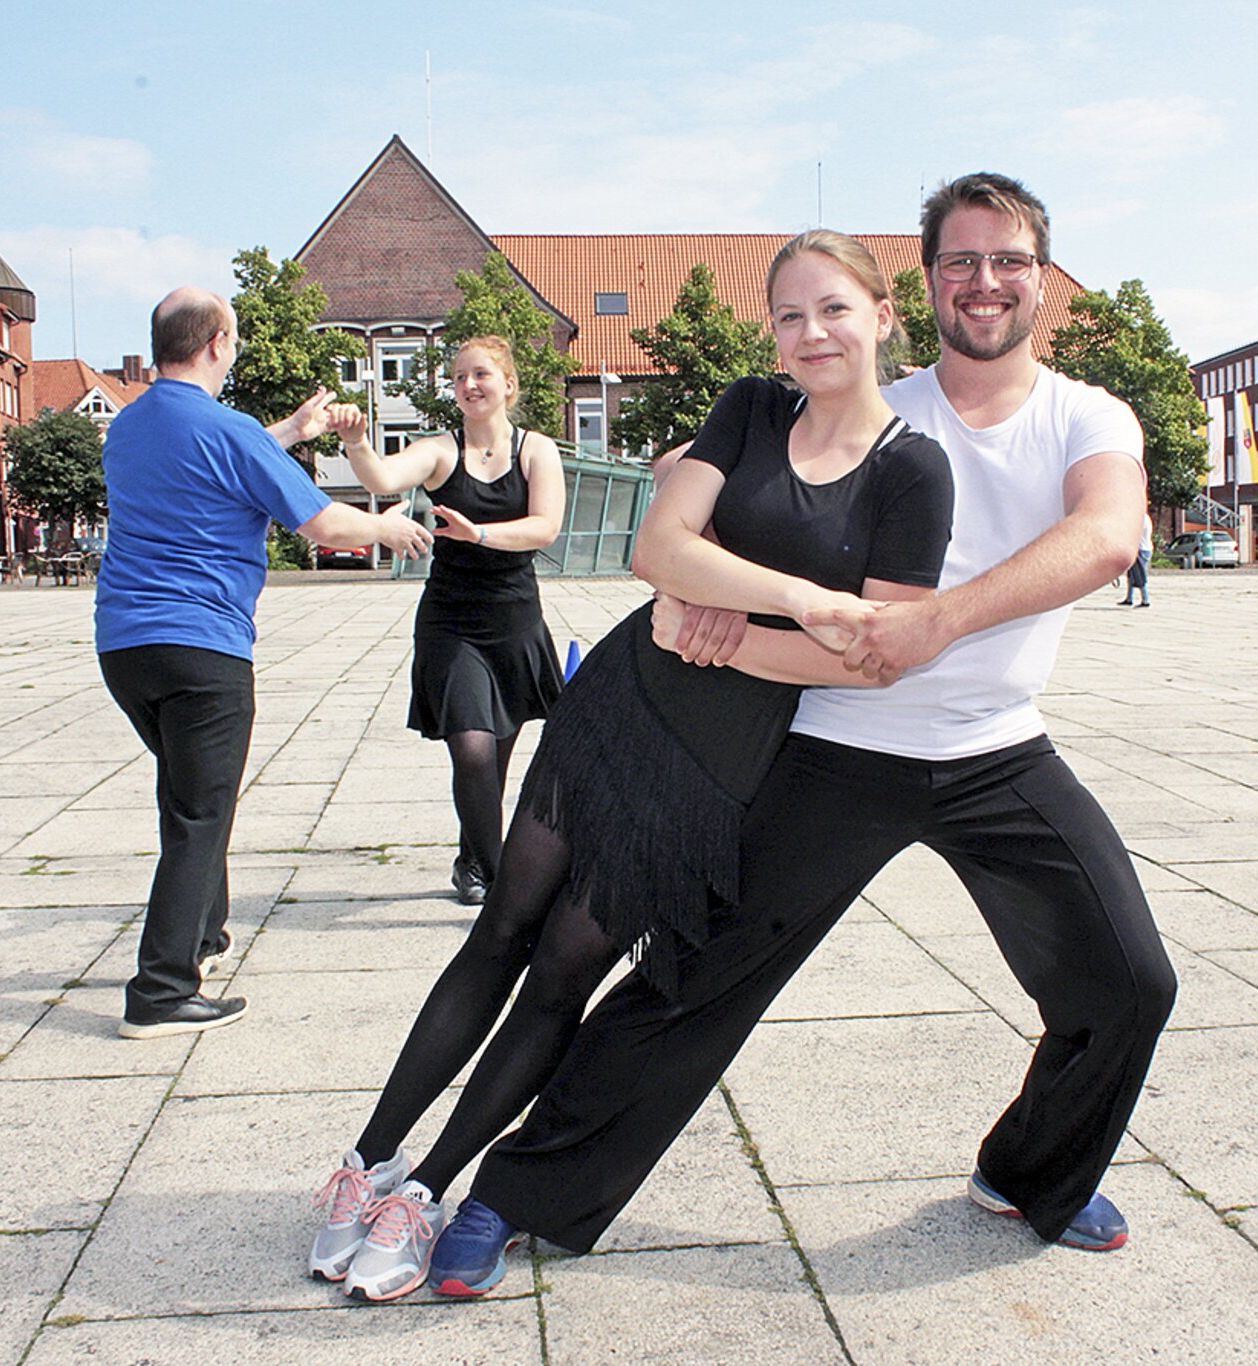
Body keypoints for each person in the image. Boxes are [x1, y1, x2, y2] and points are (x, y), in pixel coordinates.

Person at [425, 173, 1176, 1292]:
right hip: (829, 743)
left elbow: (1108, 535)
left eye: (1008, 259)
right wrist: (707, 586)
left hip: (991, 746)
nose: (984, 281)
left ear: (1039, 277)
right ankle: (516, 1192)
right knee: (687, 981)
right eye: (960, 260)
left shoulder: (1085, 415)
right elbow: (683, 481)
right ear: (920, 287)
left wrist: (928, 626)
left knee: (1128, 980)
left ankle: (1030, 1171)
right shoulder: (864, 394)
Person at [308, 231, 954, 1302]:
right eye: (790, 315)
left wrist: (731, 627)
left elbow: (873, 653)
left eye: (834, 309)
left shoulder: (912, 469)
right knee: (503, 924)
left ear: (883, 316)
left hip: (712, 761)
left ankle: (428, 1183)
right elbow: (660, 549)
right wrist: (798, 598)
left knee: (565, 963)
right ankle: (368, 1153)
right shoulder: (752, 408)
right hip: (620, 702)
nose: (811, 334)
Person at [97, 287, 432, 1039]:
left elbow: (217, 454)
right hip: (201, 647)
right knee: (199, 813)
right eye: (236, 337)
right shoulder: (231, 430)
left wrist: (292, 428)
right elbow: (317, 518)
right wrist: (386, 528)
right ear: (217, 342)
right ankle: (160, 991)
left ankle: (204, 937)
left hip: (125, 647)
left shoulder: (127, 425)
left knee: (185, 795)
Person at [337, 337, 567, 907]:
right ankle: (505, 888)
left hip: (515, 621)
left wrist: (480, 534)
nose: (468, 384)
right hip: (451, 623)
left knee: (498, 761)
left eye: (481, 374)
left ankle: (472, 860)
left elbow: (544, 529)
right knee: (472, 750)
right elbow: (382, 480)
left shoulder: (537, 450)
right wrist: (358, 443)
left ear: (508, 385)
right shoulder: (441, 450)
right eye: (460, 376)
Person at [1119, 510, 1152, 607]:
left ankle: (1145, 600)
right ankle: (1129, 598)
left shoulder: (1140, 519)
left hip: (1140, 549)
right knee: (1131, 574)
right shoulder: (1145, 518)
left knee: (1139, 574)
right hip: (1144, 548)